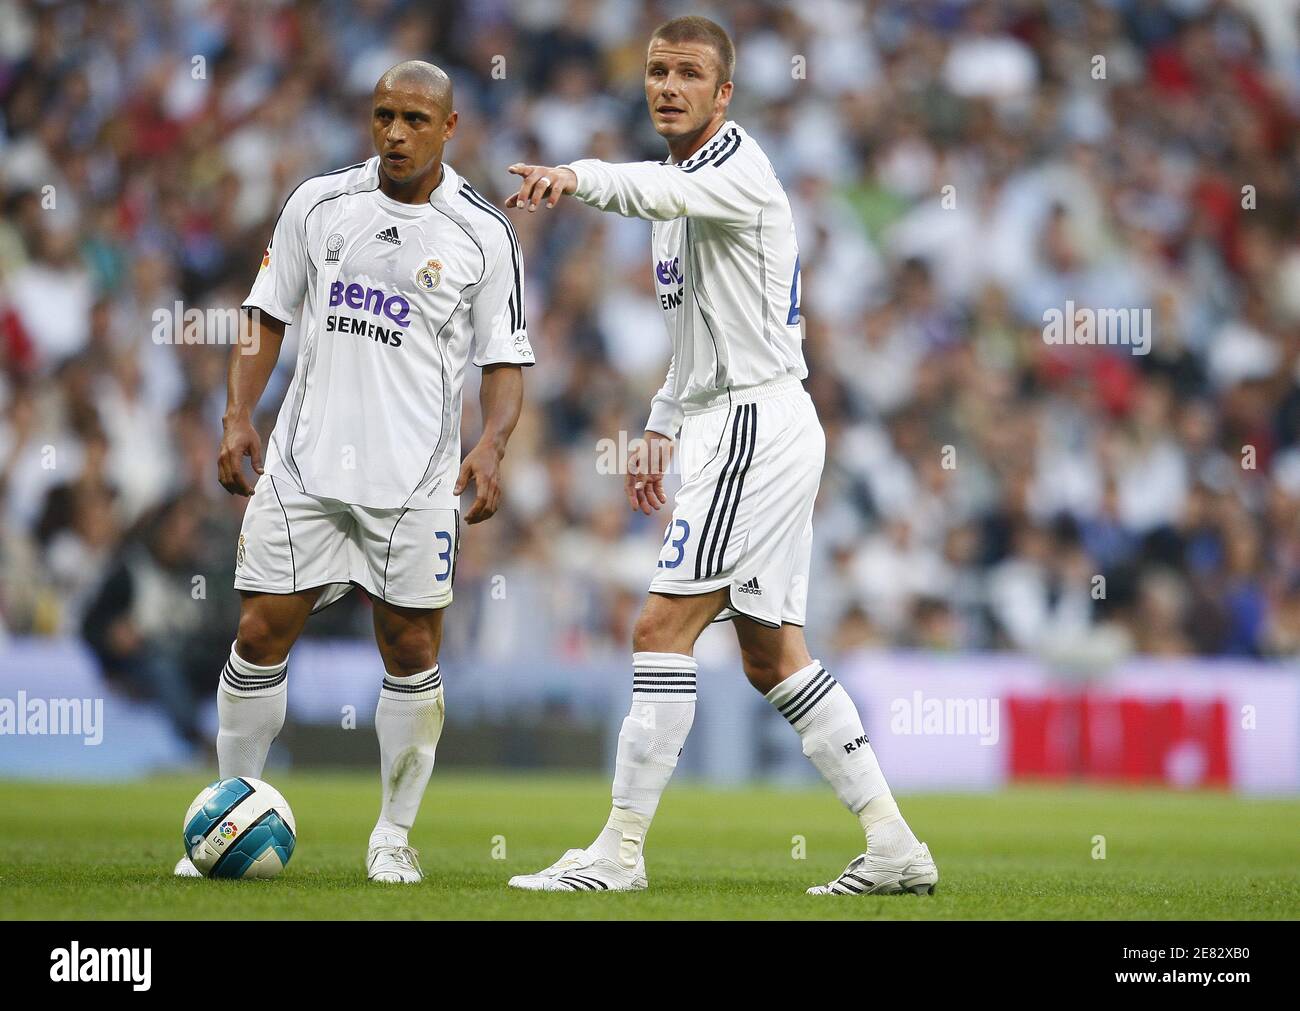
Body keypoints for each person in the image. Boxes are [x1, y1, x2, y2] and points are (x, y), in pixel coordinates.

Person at [503, 16, 937, 896]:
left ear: (723, 92)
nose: (667, 86)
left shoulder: (734, 169)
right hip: (741, 421)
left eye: (689, 74)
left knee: (661, 628)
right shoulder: (680, 186)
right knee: (773, 654)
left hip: (754, 425)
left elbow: (644, 199)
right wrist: (661, 424)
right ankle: (894, 844)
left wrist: (573, 175)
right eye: (658, 71)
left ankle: (618, 852)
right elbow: (696, 337)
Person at [174, 61, 533, 883]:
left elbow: (506, 359)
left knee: (409, 648)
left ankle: (393, 834)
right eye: (383, 116)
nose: (395, 133)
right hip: (303, 468)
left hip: (413, 488)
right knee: (260, 631)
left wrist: (494, 442)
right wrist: (236, 414)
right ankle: (236, 803)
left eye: (414, 119)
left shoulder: (484, 234)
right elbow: (266, 315)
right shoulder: (318, 203)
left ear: (450, 128)